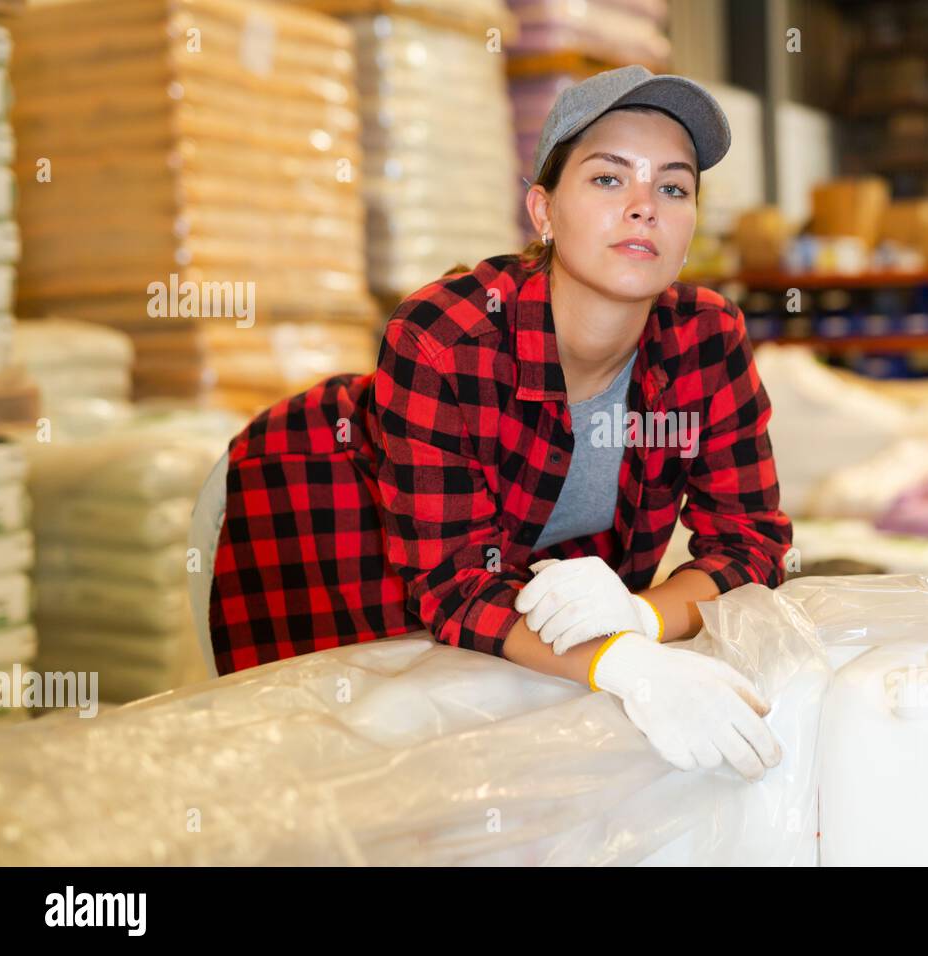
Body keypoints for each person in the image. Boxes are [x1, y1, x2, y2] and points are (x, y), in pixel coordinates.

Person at [205, 66, 793, 780]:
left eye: (672, 187)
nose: (645, 207)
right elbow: (452, 584)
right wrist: (624, 663)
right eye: (609, 179)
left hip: (496, 581)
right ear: (543, 212)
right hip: (316, 515)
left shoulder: (705, 337)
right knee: (341, 776)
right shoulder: (444, 337)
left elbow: (751, 538)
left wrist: (644, 620)